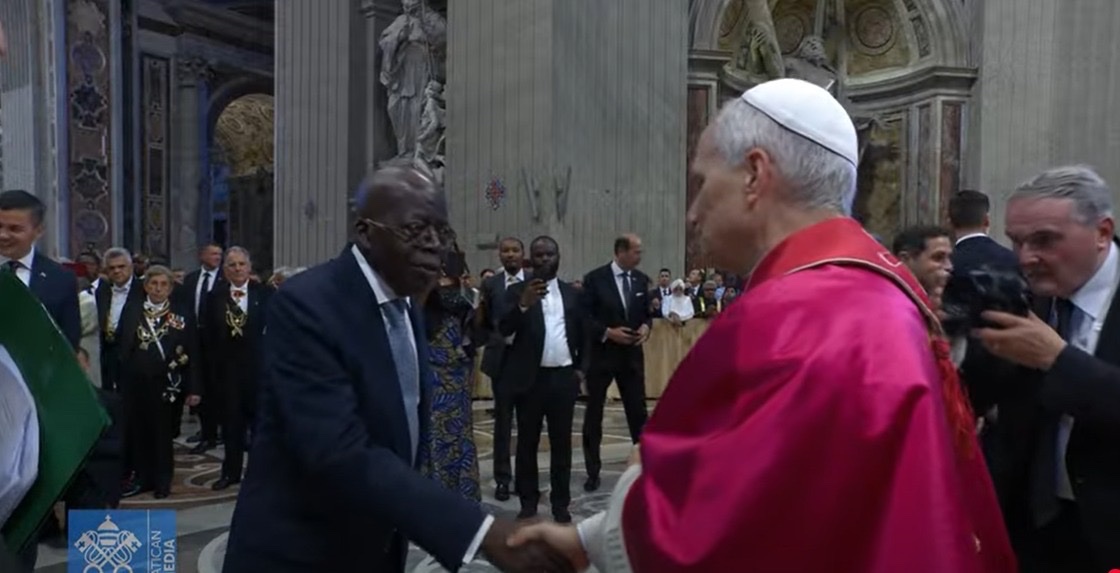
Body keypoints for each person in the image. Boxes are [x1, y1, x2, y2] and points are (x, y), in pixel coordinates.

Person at [509, 78, 1016, 572]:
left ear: (754, 174)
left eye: (702, 184)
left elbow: (714, 537)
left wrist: (640, 487)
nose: (692, 214)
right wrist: (587, 539)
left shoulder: (797, 318)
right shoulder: (871, 293)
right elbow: (787, 499)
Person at [222, 166, 572, 572]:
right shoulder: (309, 305)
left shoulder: (405, 303)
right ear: (366, 232)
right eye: (416, 229)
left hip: (376, 549)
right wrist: (482, 533)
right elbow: (339, 451)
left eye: (441, 232)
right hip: (302, 554)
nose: (434, 244)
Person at [969, 165, 1120, 572]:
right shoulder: (1023, 293)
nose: (1025, 258)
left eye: (1044, 241)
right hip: (1034, 531)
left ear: (1102, 233)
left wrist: (1058, 360)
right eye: (1016, 241)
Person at [499, 236, 587, 523]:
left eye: (550, 254)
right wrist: (523, 305)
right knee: (527, 443)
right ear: (531, 259)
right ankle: (528, 501)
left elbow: (585, 334)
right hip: (530, 379)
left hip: (563, 377)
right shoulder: (516, 291)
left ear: (558, 257)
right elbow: (503, 329)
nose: (545, 259)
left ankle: (561, 503)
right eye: (539, 255)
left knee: (562, 444)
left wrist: (581, 369)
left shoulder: (572, 293)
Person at [118, 266, 200, 499]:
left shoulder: (181, 315)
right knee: (139, 432)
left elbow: (194, 351)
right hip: (135, 382)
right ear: (146, 286)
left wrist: (194, 388)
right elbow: (122, 346)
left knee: (162, 434)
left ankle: (163, 480)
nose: (158, 289)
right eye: (154, 284)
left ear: (171, 288)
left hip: (166, 383)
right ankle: (143, 479)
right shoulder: (133, 310)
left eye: (164, 284)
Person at [580, 234, 652, 492]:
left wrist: (646, 327)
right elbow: (584, 318)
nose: (640, 256)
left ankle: (644, 468)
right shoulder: (595, 279)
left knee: (638, 413)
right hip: (602, 357)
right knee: (594, 414)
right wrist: (608, 333)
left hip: (631, 357)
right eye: (636, 251)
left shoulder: (641, 280)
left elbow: (647, 314)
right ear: (621, 252)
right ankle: (592, 470)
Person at [203, 246, 270, 491]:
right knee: (232, 427)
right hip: (227, 374)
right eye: (232, 265)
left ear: (249, 267)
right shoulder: (214, 297)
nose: (238, 268)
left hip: (259, 373)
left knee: (260, 429)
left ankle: (260, 475)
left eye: (242, 264)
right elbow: (207, 339)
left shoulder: (265, 294)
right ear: (225, 270)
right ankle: (230, 473)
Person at [420, 243, 481, 501]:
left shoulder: (465, 288)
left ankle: (463, 492)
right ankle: (433, 492)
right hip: (432, 365)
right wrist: (434, 284)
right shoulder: (421, 287)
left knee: (460, 430)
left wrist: (468, 289)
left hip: (458, 367)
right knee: (433, 429)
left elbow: (477, 325)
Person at [475, 236, 529, 500]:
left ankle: (526, 477)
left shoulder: (535, 282)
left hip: (529, 361)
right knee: (503, 425)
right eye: (505, 251)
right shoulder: (491, 284)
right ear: (499, 255)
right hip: (502, 362)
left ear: (522, 253)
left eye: (515, 250)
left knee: (529, 425)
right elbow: (483, 321)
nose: (510, 254)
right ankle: (503, 479)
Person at [0, 190, 81, 349]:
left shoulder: (61, 279)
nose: (3, 235)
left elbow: (68, 344)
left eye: (14, 229)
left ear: (38, 231)